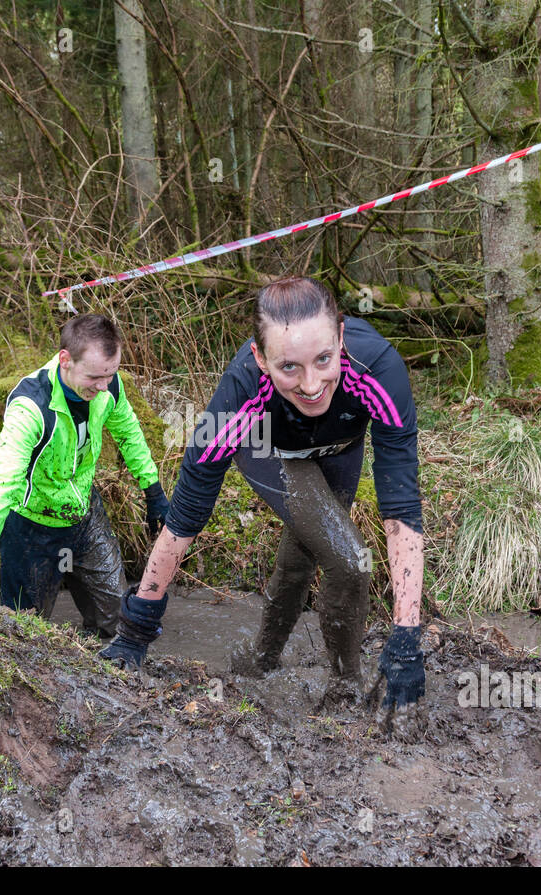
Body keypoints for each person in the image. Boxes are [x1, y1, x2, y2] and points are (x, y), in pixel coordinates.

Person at [100, 276, 427, 734]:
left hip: (338, 448)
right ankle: (346, 688)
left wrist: (407, 636)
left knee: (306, 560)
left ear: (341, 335)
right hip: (265, 448)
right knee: (351, 560)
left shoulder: (380, 369)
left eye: (324, 359)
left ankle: (258, 664)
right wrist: (137, 627)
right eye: (289, 367)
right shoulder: (238, 398)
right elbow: (185, 519)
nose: (312, 385)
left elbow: (401, 507)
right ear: (260, 358)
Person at [0, 313, 169, 641]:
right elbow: (1, 482)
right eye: (95, 376)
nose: (104, 386)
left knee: (117, 623)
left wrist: (153, 490)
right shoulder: (31, 406)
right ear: (65, 360)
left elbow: (129, 434)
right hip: (31, 527)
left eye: (111, 374)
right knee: (23, 634)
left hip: (83, 514)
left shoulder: (110, 386)